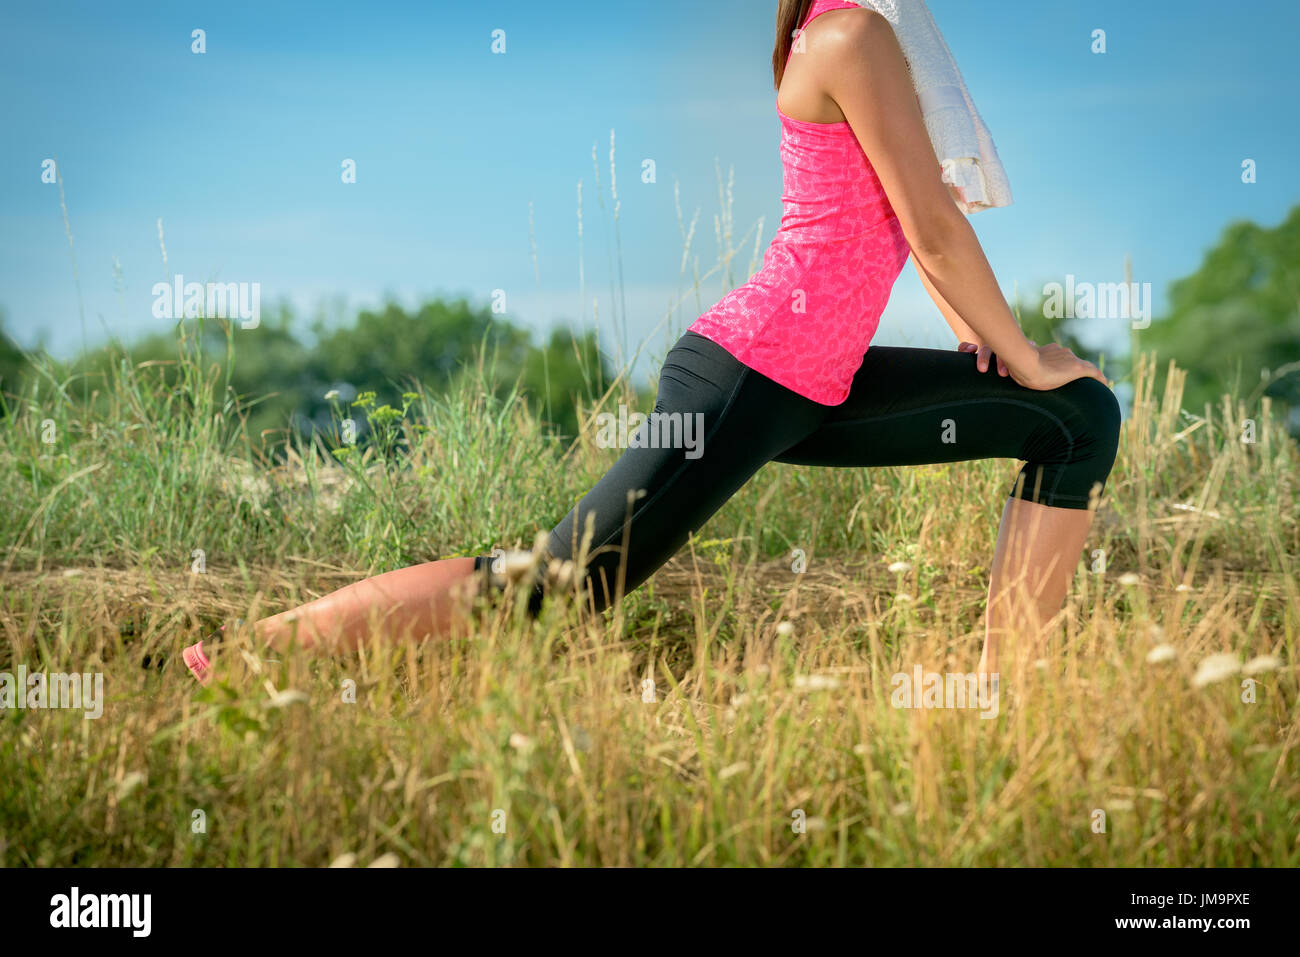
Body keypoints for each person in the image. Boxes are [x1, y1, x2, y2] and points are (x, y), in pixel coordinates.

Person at [184, 0, 1120, 686]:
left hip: (812, 385)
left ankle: (1008, 703)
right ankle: (250, 653)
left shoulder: (864, 32)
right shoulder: (850, 36)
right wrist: (1024, 351)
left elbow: (910, 229)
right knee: (556, 587)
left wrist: (987, 349)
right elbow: (933, 230)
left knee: (1075, 419)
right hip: (749, 377)